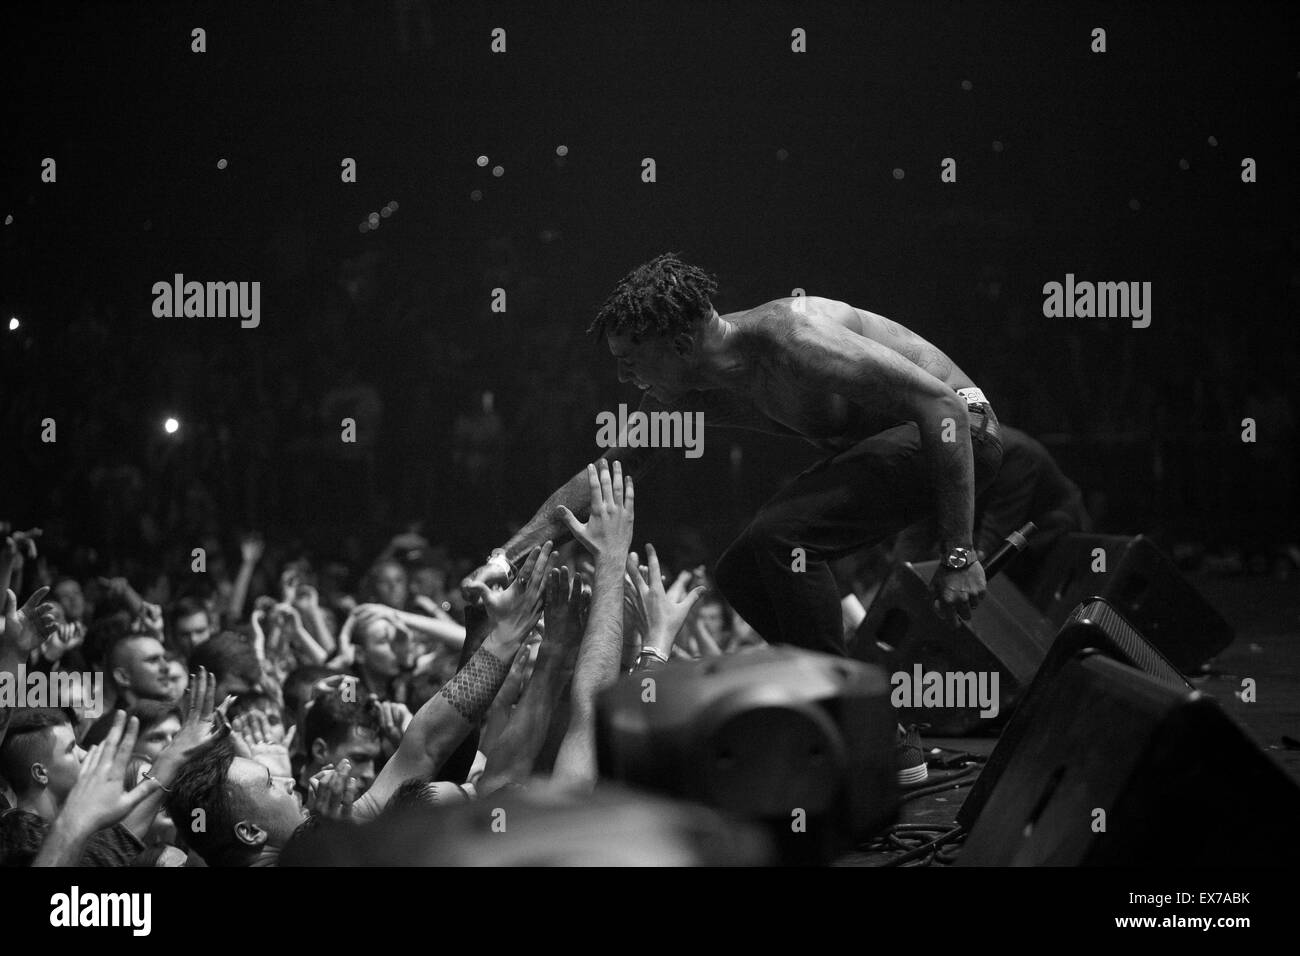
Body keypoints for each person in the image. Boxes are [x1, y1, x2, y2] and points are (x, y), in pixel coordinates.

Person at [461, 253, 1004, 781]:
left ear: (679, 346)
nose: (625, 381)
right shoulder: (688, 390)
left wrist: (960, 553)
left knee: (781, 537)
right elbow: (614, 468)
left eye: (630, 362)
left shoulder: (795, 337)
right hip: (899, 448)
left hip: (961, 436)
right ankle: (880, 723)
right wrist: (504, 558)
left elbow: (944, 409)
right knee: (742, 571)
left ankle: (862, 729)